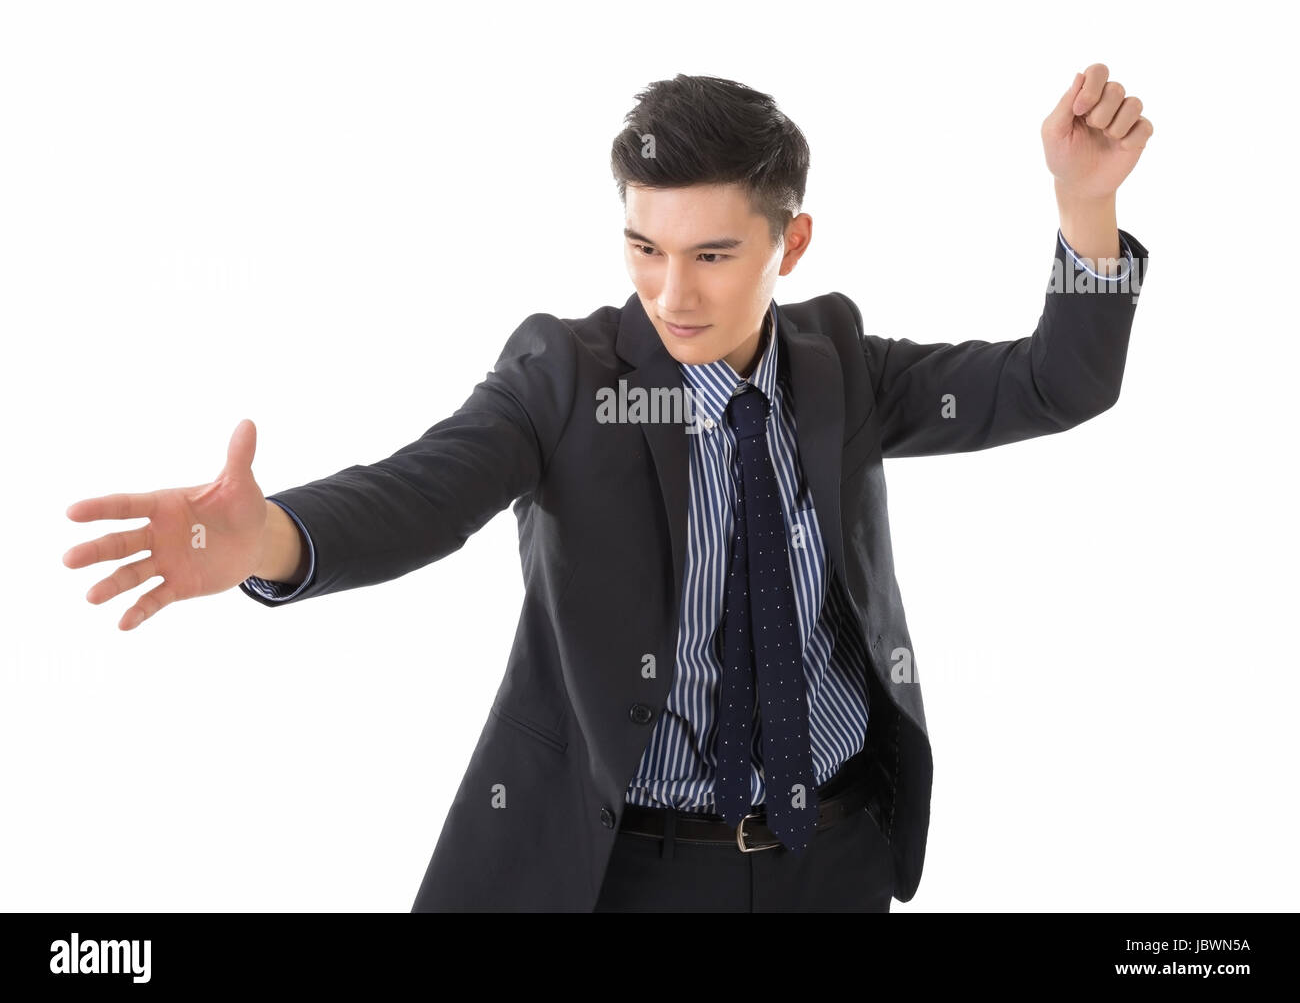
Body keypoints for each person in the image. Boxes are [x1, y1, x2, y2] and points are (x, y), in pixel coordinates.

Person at [63, 68, 1152, 912]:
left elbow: (1055, 383)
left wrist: (1081, 203)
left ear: (792, 241)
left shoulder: (839, 364)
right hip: (632, 869)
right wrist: (273, 537)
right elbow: (425, 490)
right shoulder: (566, 376)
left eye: (713, 255)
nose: (671, 293)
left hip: (838, 850)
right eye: (644, 247)